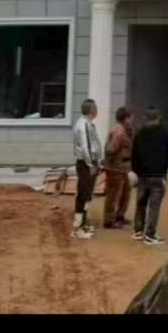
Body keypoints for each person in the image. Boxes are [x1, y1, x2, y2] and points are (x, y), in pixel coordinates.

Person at [131, 108, 168, 246]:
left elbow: (134, 153)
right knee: (154, 205)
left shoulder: (139, 133)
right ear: (159, 117)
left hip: (142, 174)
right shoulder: (165, 133)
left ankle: (138, 230)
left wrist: (136, 170)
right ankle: (150, 234)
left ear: (145, 118)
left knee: (141, 202)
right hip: (157, 174)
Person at [72, 97, 103, 239]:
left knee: (87, 194)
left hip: (89, 163)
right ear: (91, 110)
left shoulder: (87, 124)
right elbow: (85, 147)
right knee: (83, 194)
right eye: (95, 108)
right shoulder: (83, 125)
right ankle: (77, 227)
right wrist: (91, 164)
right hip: (85, 164)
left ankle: (83, 222)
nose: (97, 111)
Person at [102, 105, 134, 229]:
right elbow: (110, 149)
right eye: (130, 117)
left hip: (122, 168)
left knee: (126, 191)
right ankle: (109, 220)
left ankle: (119, 215)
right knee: (114, 194)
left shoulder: (125, 130)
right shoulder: (119, 132)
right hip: (115, 168)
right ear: (125, 118)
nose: (132, 120)